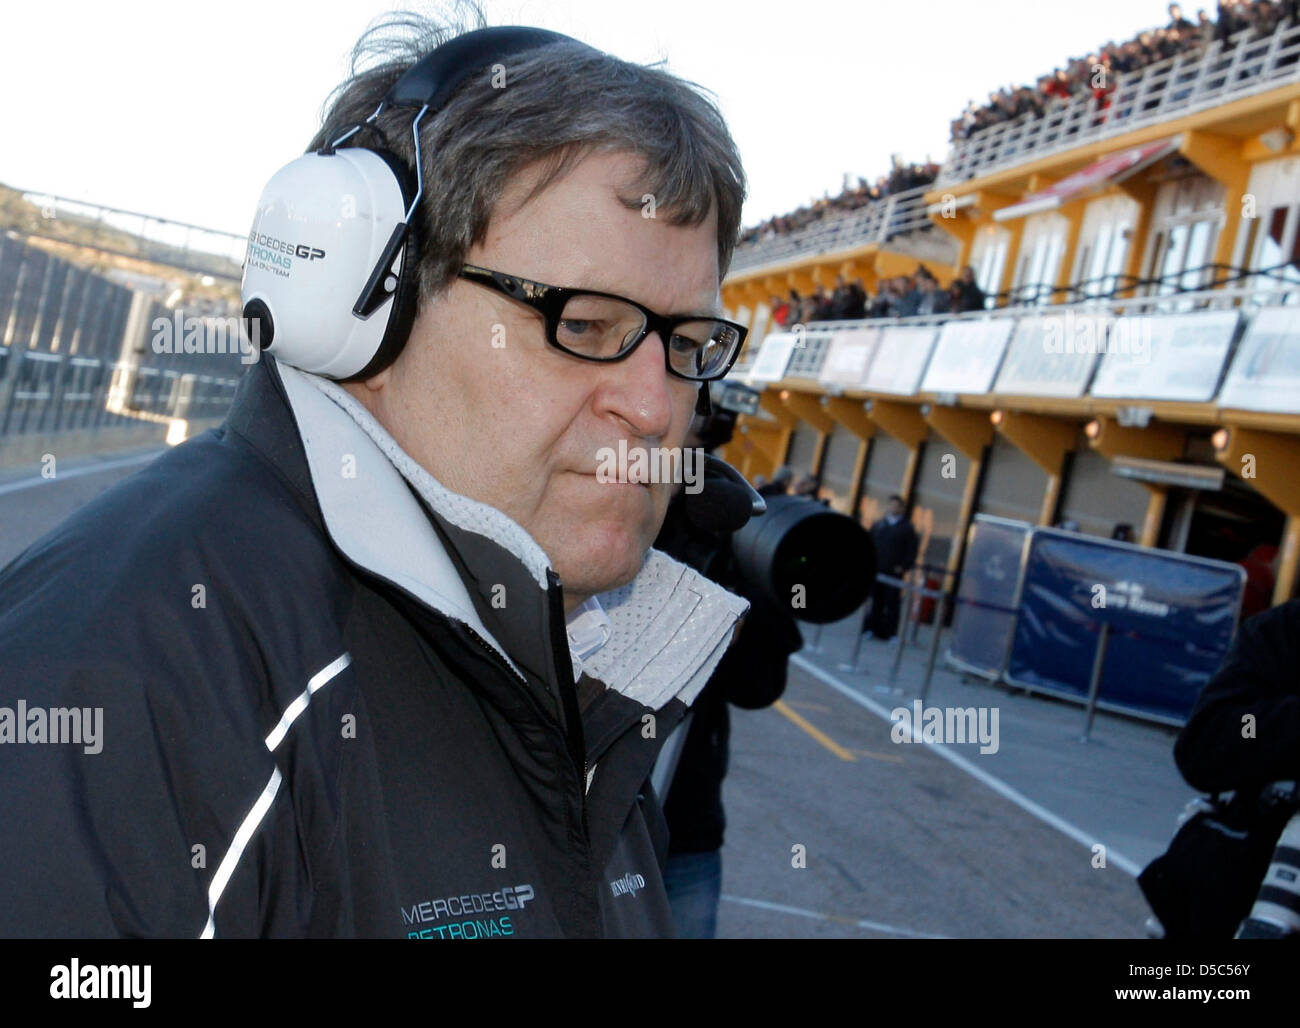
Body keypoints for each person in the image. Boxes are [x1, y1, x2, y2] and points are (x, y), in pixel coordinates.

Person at [0, 12, 752, 938]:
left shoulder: (575, 656)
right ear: (366, 307)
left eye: (686, 343)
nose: (653, 406)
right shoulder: (122, 688)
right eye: (585, 327)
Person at [654, 406, 803, 938]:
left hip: (684, 827)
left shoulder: (734, 530)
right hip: (571, 817)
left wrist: (747, 609)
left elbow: (759, 687)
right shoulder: (597, 516)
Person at [862, 495, 919, 641]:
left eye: (897, 506)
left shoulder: (907, 528)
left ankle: (890, 633)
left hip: (894, 572)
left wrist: (903, 566)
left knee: (892, 603)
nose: (893, 508)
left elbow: (911, 550)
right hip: (878, 570)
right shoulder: (880, 524)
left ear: (902, 508)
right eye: (891, 505)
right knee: (876, 601)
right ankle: (871, 629)